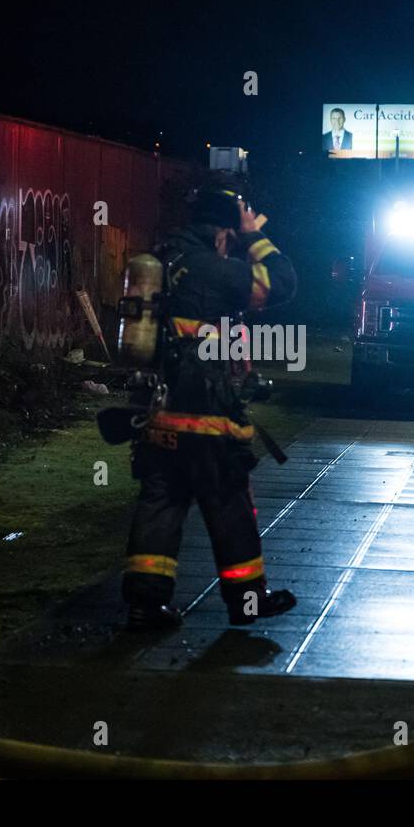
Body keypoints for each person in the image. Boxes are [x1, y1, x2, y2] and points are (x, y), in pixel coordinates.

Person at [121, 187, 298, 631]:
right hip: (208, 420)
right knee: (231, 510)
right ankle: (247, 605)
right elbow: (283, 281)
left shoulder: (163, 262)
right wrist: (255, 234)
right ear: (222, 232)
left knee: (160, 507)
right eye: (231, 236)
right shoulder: (215, 271)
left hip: (159, 417)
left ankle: (145, 606)